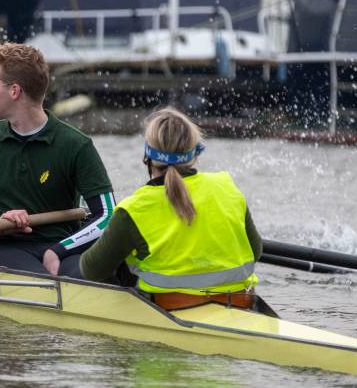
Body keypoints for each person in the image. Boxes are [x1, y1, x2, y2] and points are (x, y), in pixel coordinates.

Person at [0, 43, 115, 276]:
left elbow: (107, 215)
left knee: (93, 277)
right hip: (0, 248)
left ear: (14, 91)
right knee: (44, 282)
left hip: (60, 248)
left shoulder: (76, 144)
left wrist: (59, 250)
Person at [80, 108, 263, 311]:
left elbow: (90, 270)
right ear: (195, 154)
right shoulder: (226, 187)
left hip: (168, 310)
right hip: (238, 303)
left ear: (146, 158)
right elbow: (255, 252)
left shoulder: (132, 210)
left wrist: (116, 243)